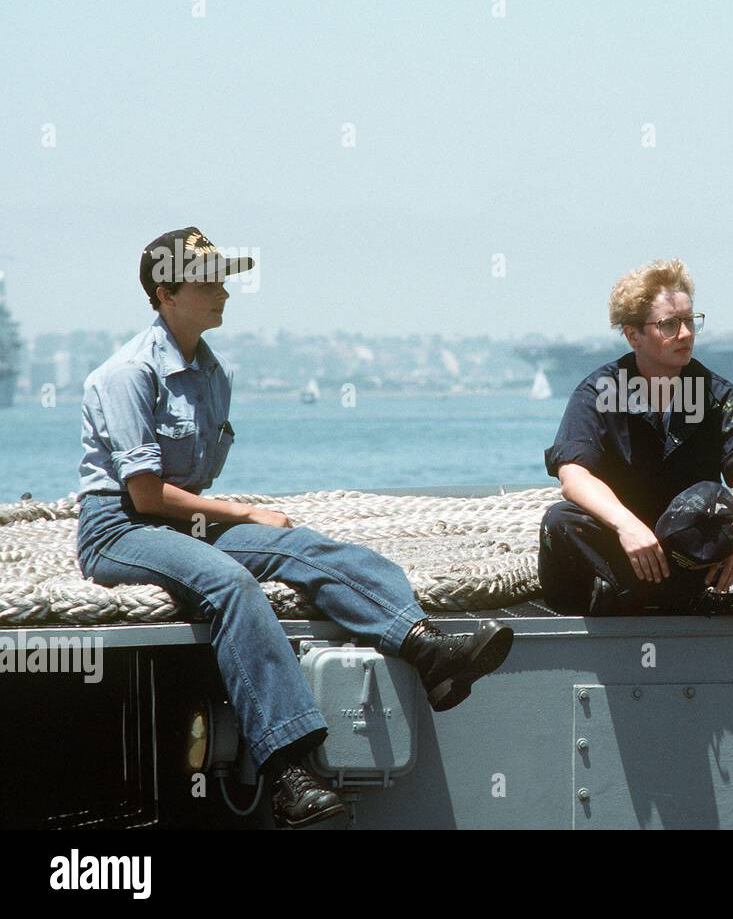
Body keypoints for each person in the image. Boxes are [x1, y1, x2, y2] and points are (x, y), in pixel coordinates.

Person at [75, 227, 513, 828]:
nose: (224, 291)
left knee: (306, 548)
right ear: (166, 291)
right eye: (208, 280)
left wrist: (241, 522)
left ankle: (424, 647)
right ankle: (289, 774)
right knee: (230, 583)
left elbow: (185, 495)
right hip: (119, 529)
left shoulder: (211, 374)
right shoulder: (127, 374)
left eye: (223, 278)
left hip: (182, 522)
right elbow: (145, 494)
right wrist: (247, 514)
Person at [539, 258, 733, 616]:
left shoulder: (716, 394)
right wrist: (626, 524)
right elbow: (574, 475)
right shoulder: (600, 392)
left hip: (696, 541)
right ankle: (708, 592)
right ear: (634, 335)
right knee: (560, 524)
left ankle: (634, 594)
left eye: (690, 321)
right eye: (669, 325)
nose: (686, 334)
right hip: (627, 540)